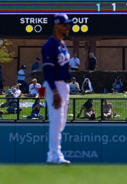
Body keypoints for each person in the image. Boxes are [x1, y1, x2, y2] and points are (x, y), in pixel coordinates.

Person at [42, 13, 73, 165]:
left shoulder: (62, 44)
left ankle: (54, 154)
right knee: (56, 121)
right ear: (56, 25)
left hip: (64, 85)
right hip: (55, 84)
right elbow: (48, 71)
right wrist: (54, 91)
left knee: (61, 122)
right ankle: (54, 155)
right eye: (65, 24)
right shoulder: (50, 45)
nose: (67, 27)